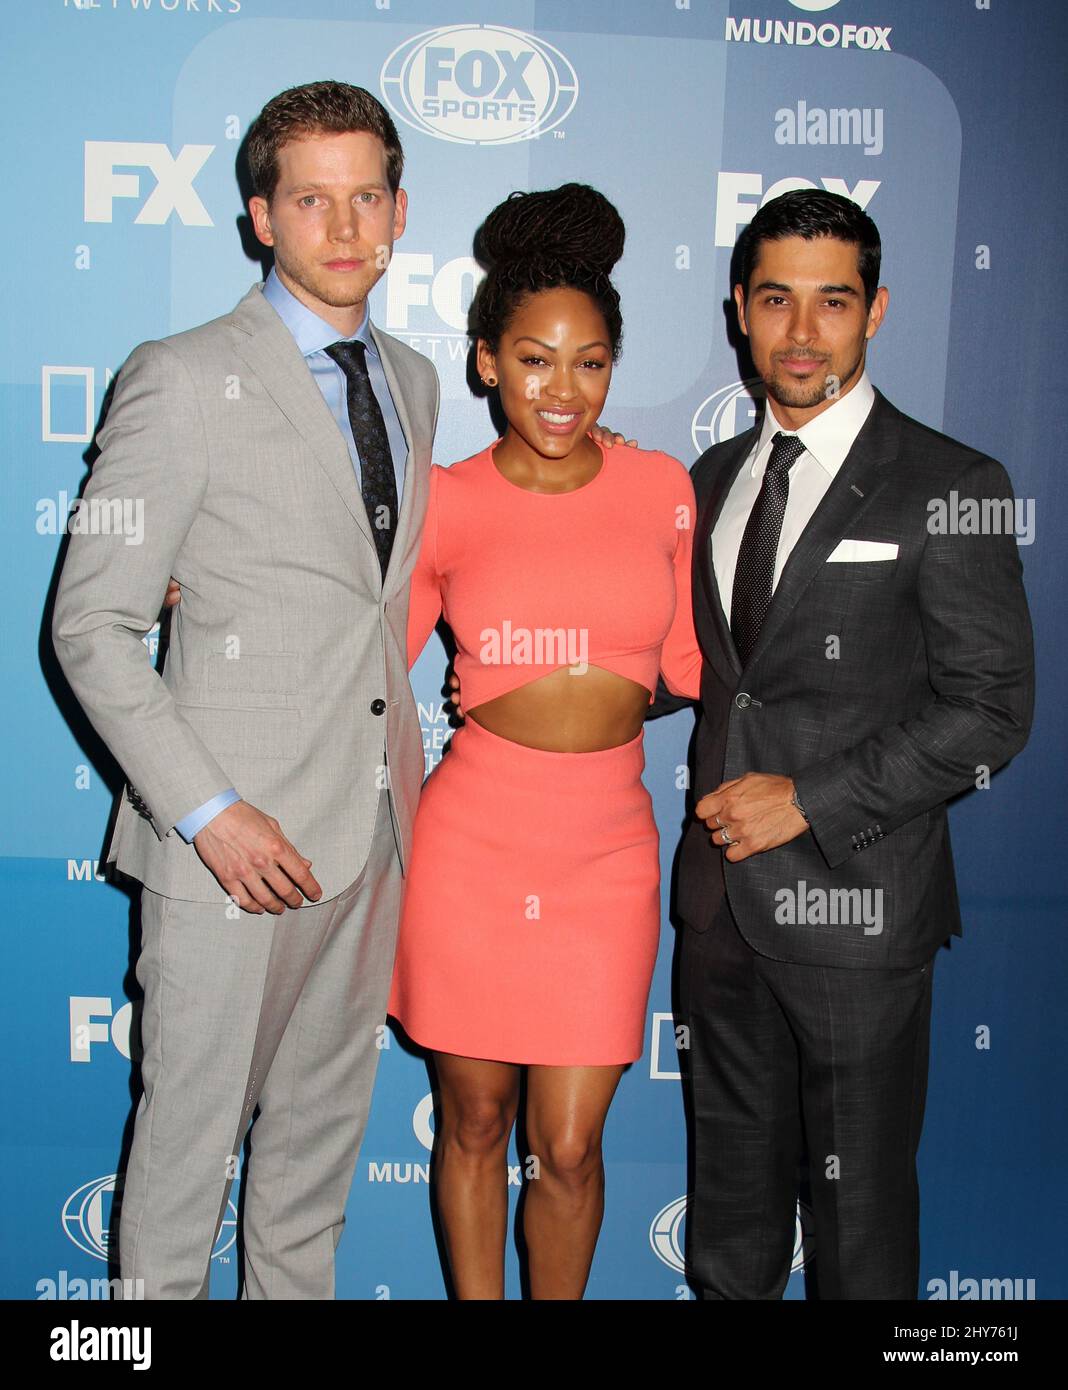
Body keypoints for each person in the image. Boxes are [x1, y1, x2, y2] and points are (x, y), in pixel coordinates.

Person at [51, 81, 439, 1299]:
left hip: (369, 835)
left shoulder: (417, 381)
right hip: (228, 848)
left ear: (399, 211)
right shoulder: (179, 375)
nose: (342, 224)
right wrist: (210, 812)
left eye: (364, 195)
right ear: (260, 217)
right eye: (309, 198)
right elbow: (91, 625)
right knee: (180, 1178)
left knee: (310, 1179)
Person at [650, 189, 1034, 1298]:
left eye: (832, 301)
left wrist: (808, 798)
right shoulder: (710, 480)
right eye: (777, 299)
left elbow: (994, 710)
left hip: (860, 912)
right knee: (728, 1225)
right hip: (719, 913)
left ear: (876, 311)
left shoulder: (952, 484)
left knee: (859, 1233)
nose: (802, 332)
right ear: (739, 310)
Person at [387, 184, 703, 1299]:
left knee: (566, 1144)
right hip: (475, 839)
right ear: (485, 363)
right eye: (533, 360)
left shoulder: (666, 488)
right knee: (473, 1119)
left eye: (589, 362)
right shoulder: (445, 501)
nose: (561, 390)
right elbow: (365, 654)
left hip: (606, 844)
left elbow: (697, 667)